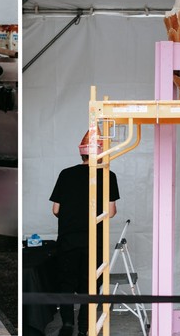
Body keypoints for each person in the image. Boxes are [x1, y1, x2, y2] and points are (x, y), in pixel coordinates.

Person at [49, 130, 119, 336]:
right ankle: (85, 329)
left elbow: (56, 210)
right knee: (90, 285)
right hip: (94, 241)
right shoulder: (108, 175)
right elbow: (111, 211)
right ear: (101, 153)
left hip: (68, 240)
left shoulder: (65, 174)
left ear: (82, 153)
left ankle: (67, 325)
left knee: (66, 284)